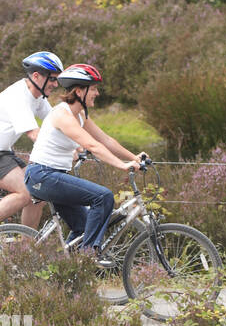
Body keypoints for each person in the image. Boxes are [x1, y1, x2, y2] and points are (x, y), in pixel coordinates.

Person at [24, 64, 144, 251]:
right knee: (103, 197)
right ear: (79, 91)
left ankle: (72, 271)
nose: (97, 93)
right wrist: (122, 166)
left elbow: (105, 140)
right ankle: (87, 258)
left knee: (82, 227)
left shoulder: (79, 115)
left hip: (53, 176)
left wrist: (134, 158)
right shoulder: (62, 115)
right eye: (94, 89)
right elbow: (92, 145)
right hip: (42, 175)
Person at [0, 51, 64, 237]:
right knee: (26, 192)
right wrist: (64, 149)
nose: (55, 84)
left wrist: (80, 144)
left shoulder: (38, 96)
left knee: (39, 193)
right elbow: (34, 134)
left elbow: (56, 123)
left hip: (1, 153)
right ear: (36, 76)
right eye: (52, 79)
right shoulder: (19, 97)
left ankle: (27, 246)